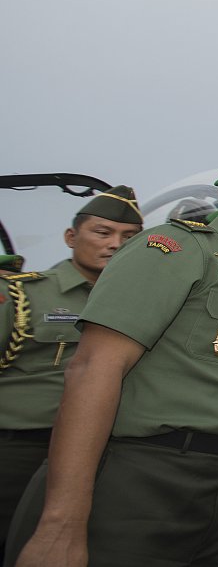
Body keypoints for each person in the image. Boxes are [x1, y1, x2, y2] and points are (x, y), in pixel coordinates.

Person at [8, 150, 218, 567]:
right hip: (137, 477)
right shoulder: (174, 248)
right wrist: (61, 523)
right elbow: (94, 369)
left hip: (206, 487)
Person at [0, 187, 142, 560]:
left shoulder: (141, 305)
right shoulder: (21, 296)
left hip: (108, 453)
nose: (115, 244)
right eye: (102, 232)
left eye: (129, 238)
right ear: (71, 236)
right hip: (23, 450)